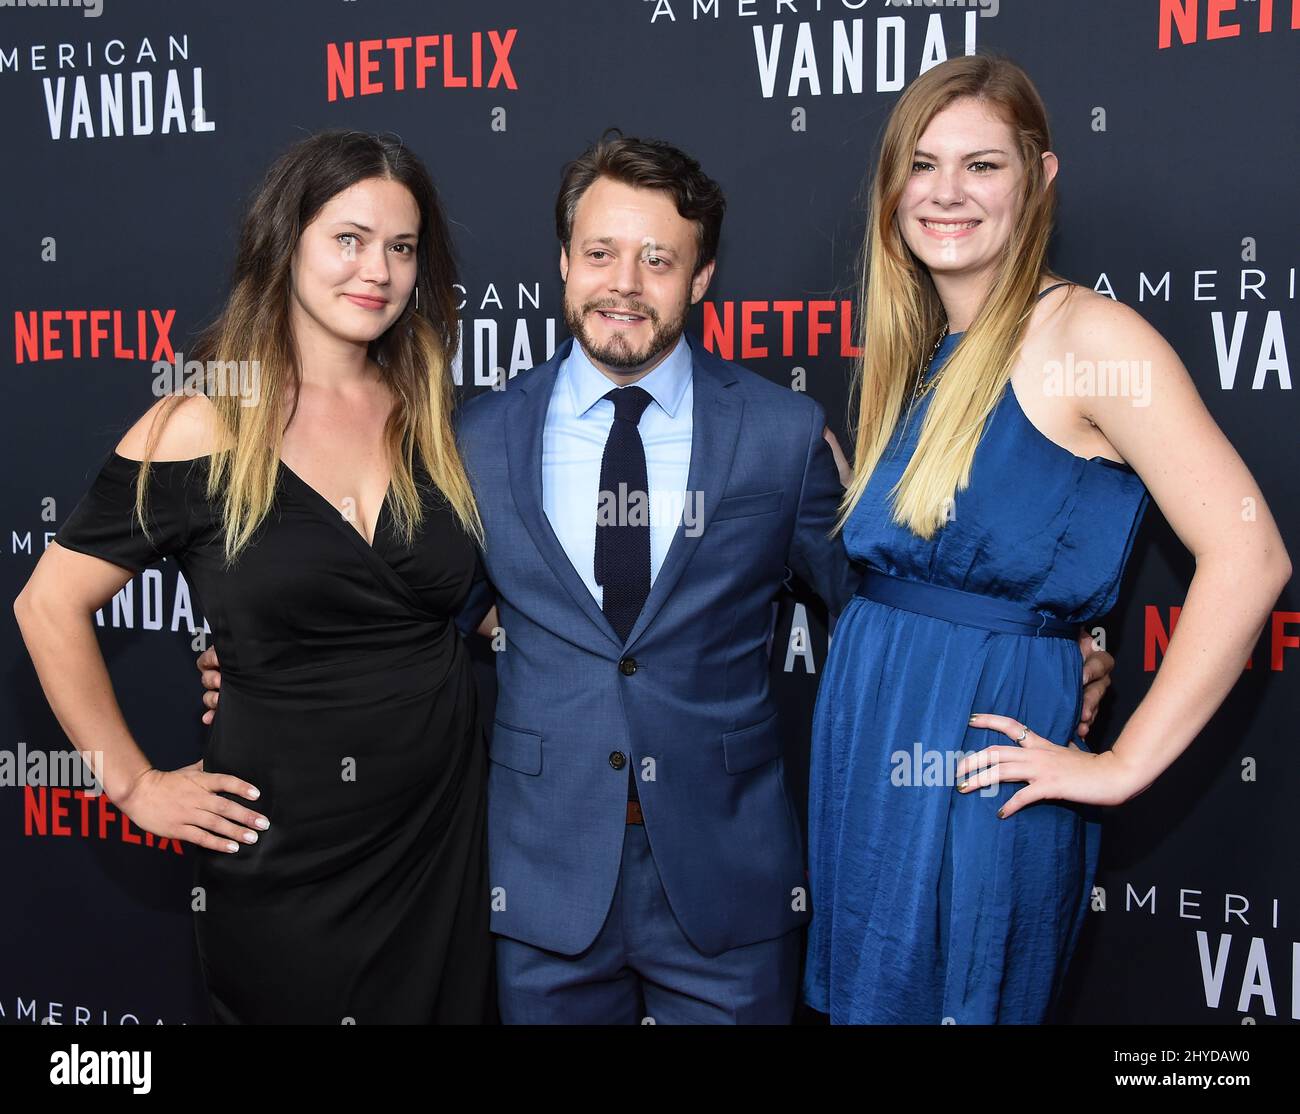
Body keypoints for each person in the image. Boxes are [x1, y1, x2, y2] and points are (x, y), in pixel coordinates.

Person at [200, 133, 1115, 1024]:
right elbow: (421, 608)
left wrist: (1039, 648)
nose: (625, 286)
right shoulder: (473, 439)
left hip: (731, 884)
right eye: (600, 253)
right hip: (541, 879)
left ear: (702, 278)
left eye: (658, 260)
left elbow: (880, 606)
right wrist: (269, 667)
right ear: (563, 261)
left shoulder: (779, 433)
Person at [804, 55, 1292, 1024]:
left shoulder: (1088, 337)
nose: (947, 192)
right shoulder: (925, 352)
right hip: (879, 752)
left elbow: (1250, 552)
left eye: (981, 165)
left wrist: (1118, 766)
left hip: (977, 762)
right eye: (924, 164)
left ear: (1038, 177)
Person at [13, 130, 494, 1024]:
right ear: (287, 242)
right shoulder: (201, 424)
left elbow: (468, 605)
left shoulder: (434, 419)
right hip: (283, 854)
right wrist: (132, 783)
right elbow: (47, 604)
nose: (377, 270)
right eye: (347, 239)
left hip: (440, 840)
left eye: (400, 247)